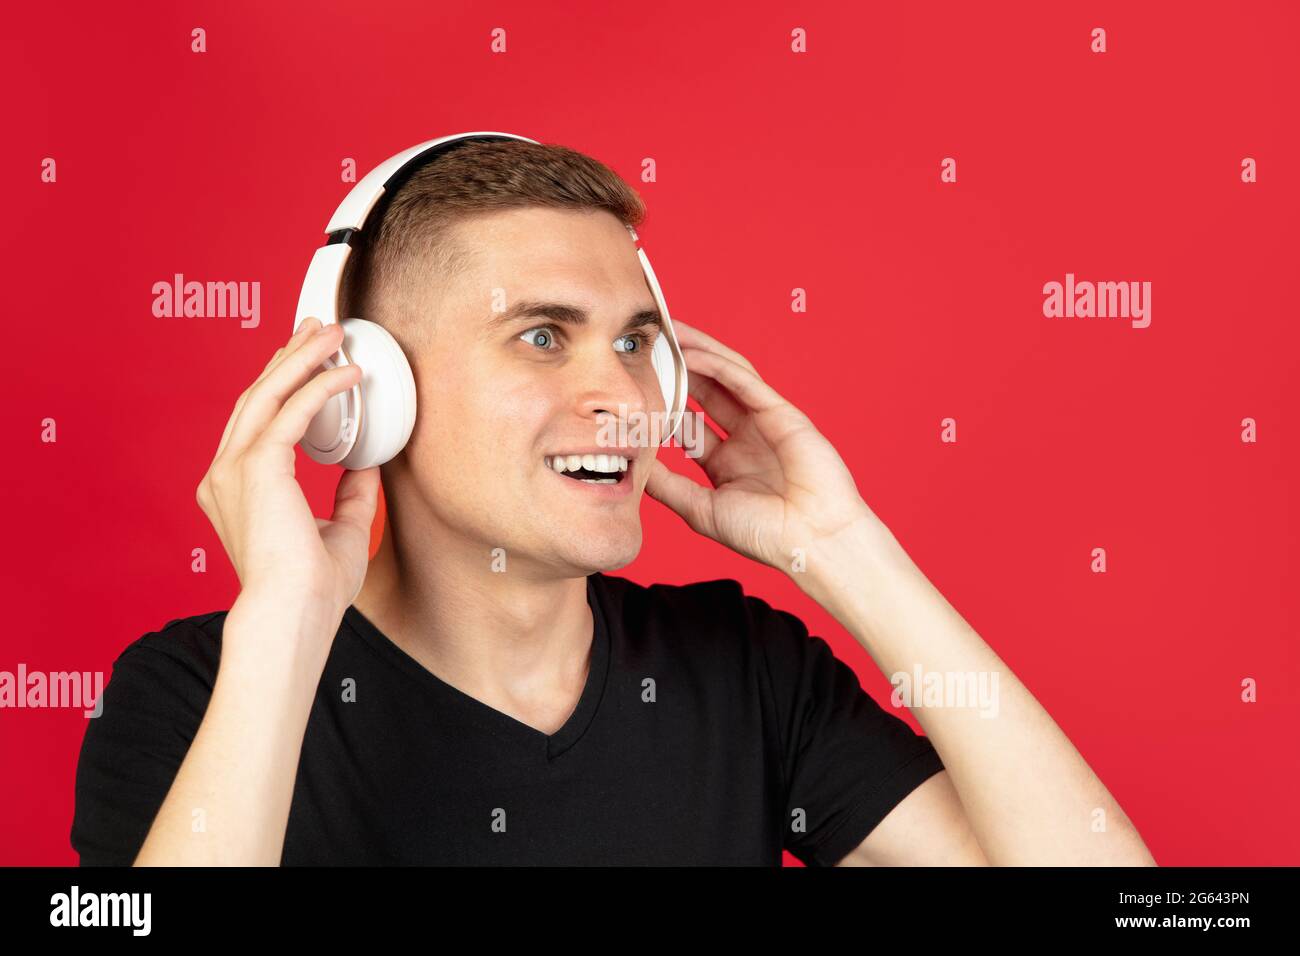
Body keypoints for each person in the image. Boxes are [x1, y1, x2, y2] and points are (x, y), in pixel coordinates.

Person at [70, 139, 1155, 866]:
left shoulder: (741, 669)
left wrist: (845, 549)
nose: (623, 394)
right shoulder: (198, 690)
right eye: (543, 335)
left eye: (637, 343)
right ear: (369, 390)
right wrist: (281, 633)